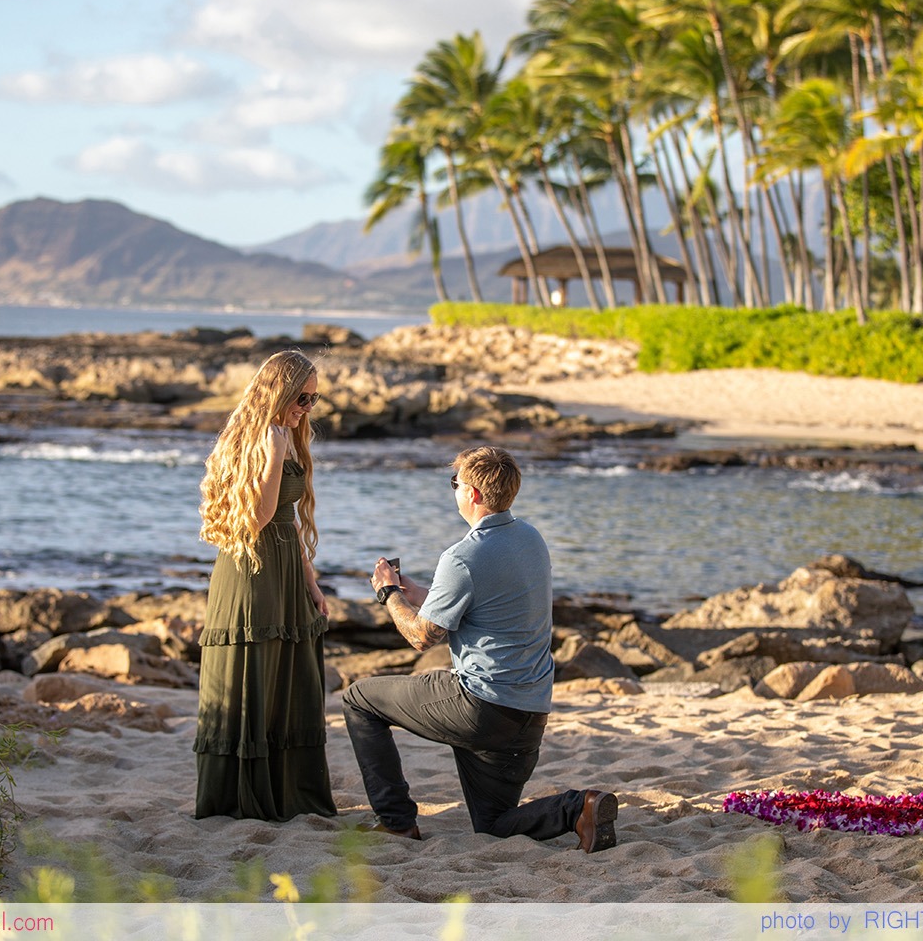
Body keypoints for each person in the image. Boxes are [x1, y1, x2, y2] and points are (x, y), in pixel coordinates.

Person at [341, 445, 619, 851]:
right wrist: (414, 591)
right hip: (529, 712)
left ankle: (397, 823)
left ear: (471, 493)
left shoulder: (462, 557)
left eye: (455, 484)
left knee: (358, 699)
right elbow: (474, 599)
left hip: (481, 708)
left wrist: (388, 595)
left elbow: (422, 637)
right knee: (493, 824)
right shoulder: (530, 538)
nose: (453, 490)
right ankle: (578, 808)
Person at [192, 349, 336, 821]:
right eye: (301, 397)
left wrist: (311, 583)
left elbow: (290, 521)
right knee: (253, 674)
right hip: (250, 572)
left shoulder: (290, 436)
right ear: (278, 390)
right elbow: (255, 519)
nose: (306, 408)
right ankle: (240, 797)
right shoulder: (254, 441)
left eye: (314, 399)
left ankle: (286, 790)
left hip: (285, 572)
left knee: (288, 679)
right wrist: (274, 455)